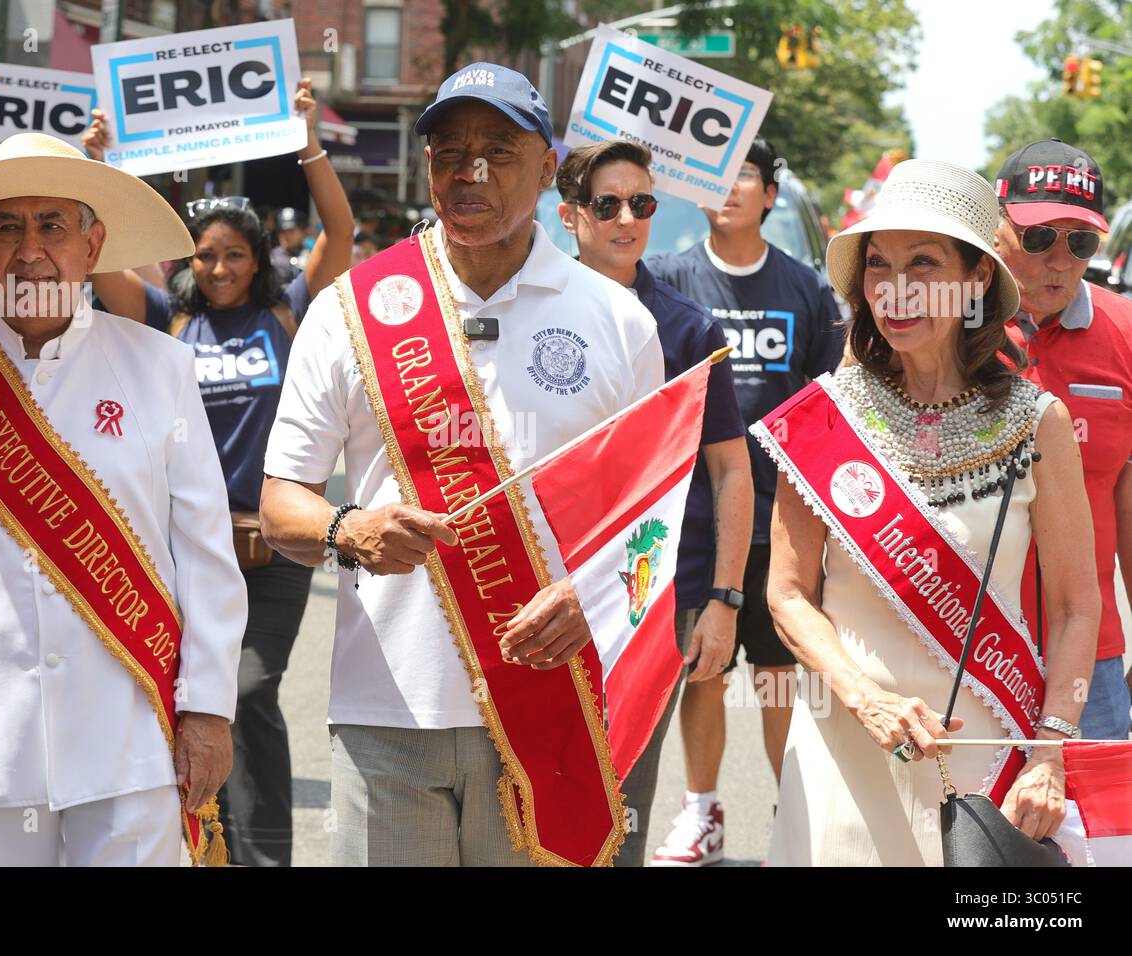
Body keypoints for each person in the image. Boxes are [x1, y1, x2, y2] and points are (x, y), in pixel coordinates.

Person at [260, 62, 664, 867]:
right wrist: (351, 527)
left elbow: (652, 519)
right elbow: (281, 504)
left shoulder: (618, 322)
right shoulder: (351, 311)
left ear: (549, 168)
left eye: (497, 151)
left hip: (552, 705)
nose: (468, 173)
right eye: (449, 152)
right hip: (385, 713)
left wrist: (597, 601)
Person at [0, 132, 247, 866]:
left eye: (52, 225)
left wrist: (207, 708)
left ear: (92, 242)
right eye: (8, 226)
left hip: (130, 743)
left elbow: (204, 550)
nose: (30, 248)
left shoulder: (159, 367)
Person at [760, 158, 1098, 865]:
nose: (896, 289)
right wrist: (862, 698)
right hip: (841, 752)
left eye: (925, 262)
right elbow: (788, 594)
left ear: (978, 278)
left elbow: (1074, 607)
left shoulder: (1039, 422)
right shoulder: (823, 419)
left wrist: (1049, 753)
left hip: (982, 761)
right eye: (879, 264)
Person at [84, 80, 352, 867]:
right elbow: (102, 260)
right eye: (206, 255)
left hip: (273, 548)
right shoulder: (164, 317)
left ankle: (265, 855)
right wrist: (100, 164)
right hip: (180, 552)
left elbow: (337, 228)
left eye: (236, 254)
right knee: (186, 702)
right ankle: (209, 851)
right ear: (187, 260)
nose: (221, 267)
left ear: (258, 258)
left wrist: (308, 138)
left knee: (244, 692)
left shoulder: (292, 311)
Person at [554, 139, 753, 866]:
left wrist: (723, 602)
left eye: (642, 204)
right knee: (528, 794)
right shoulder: (526, 310)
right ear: (570, 214)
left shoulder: (692, 330)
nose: (627, 218)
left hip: (653, 602)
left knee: (619, 808)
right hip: (543, 590)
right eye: (608, 204)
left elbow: (732, 472)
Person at [645, 138, 844, 864]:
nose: (730, 188)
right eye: (719, 176)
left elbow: (831, 408)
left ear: (770, 193)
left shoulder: (807, 291)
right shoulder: (663, 278)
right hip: (692, 525)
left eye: (747, 176)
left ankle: (793, 823)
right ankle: (702, 813)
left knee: (780, 678)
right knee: (703, 668)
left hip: (781, 524)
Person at [994, 139, 1132, 741]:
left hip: (1090, 655)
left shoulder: (1124, 333)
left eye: (1079, 242)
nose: (1059, 260)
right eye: (1038, 236)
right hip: (954, 642)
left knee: (1097, 836)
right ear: (996, 227)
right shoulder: (944, 328)